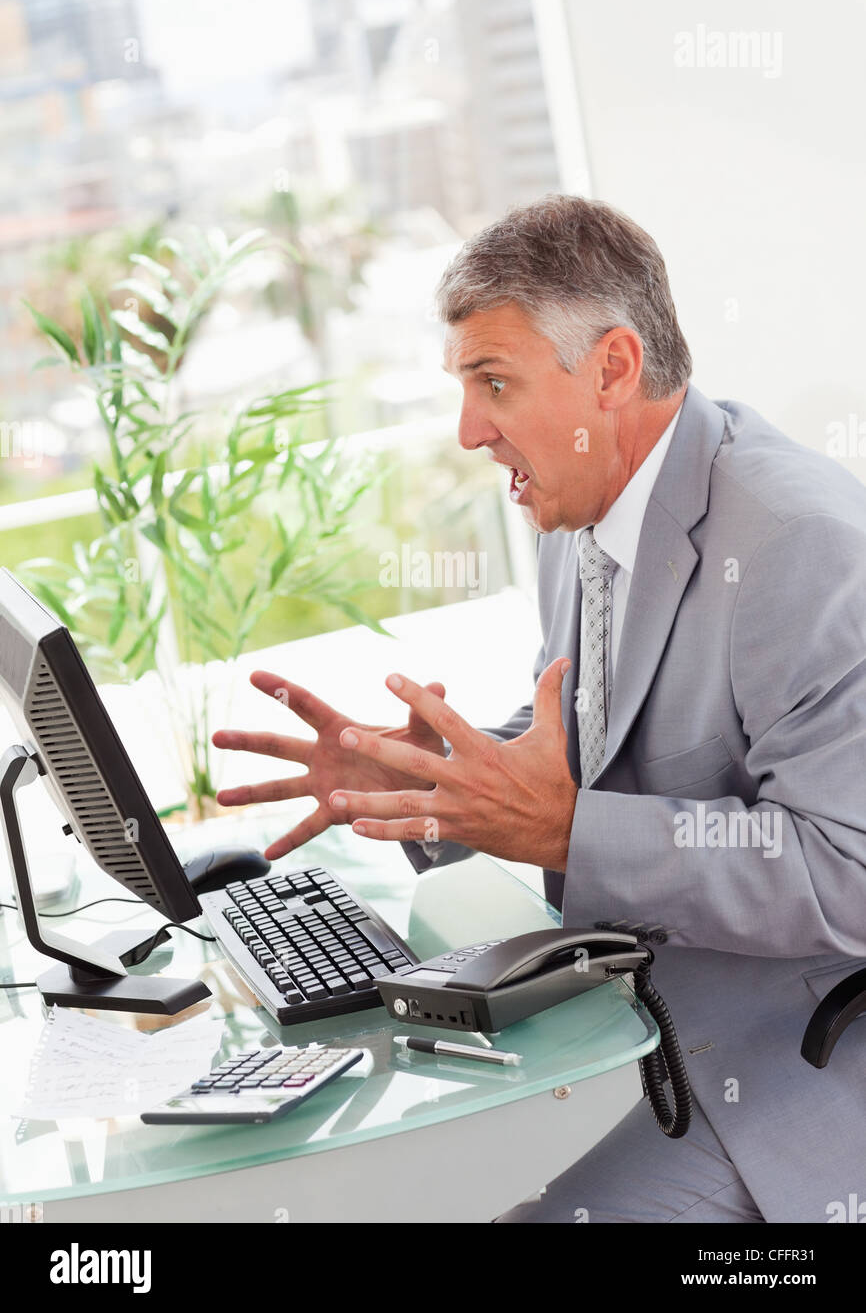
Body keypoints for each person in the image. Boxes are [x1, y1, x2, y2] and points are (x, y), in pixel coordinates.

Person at [213, 195, 866, 1223]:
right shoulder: (577, 512)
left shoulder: (797, 542)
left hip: (797, 1078)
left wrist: (570, 831)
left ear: (608, 369)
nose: (470, 431)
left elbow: (849, 869)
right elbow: (596, 745)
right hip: (641, 1031)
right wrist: (432, 785)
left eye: (494, 383)